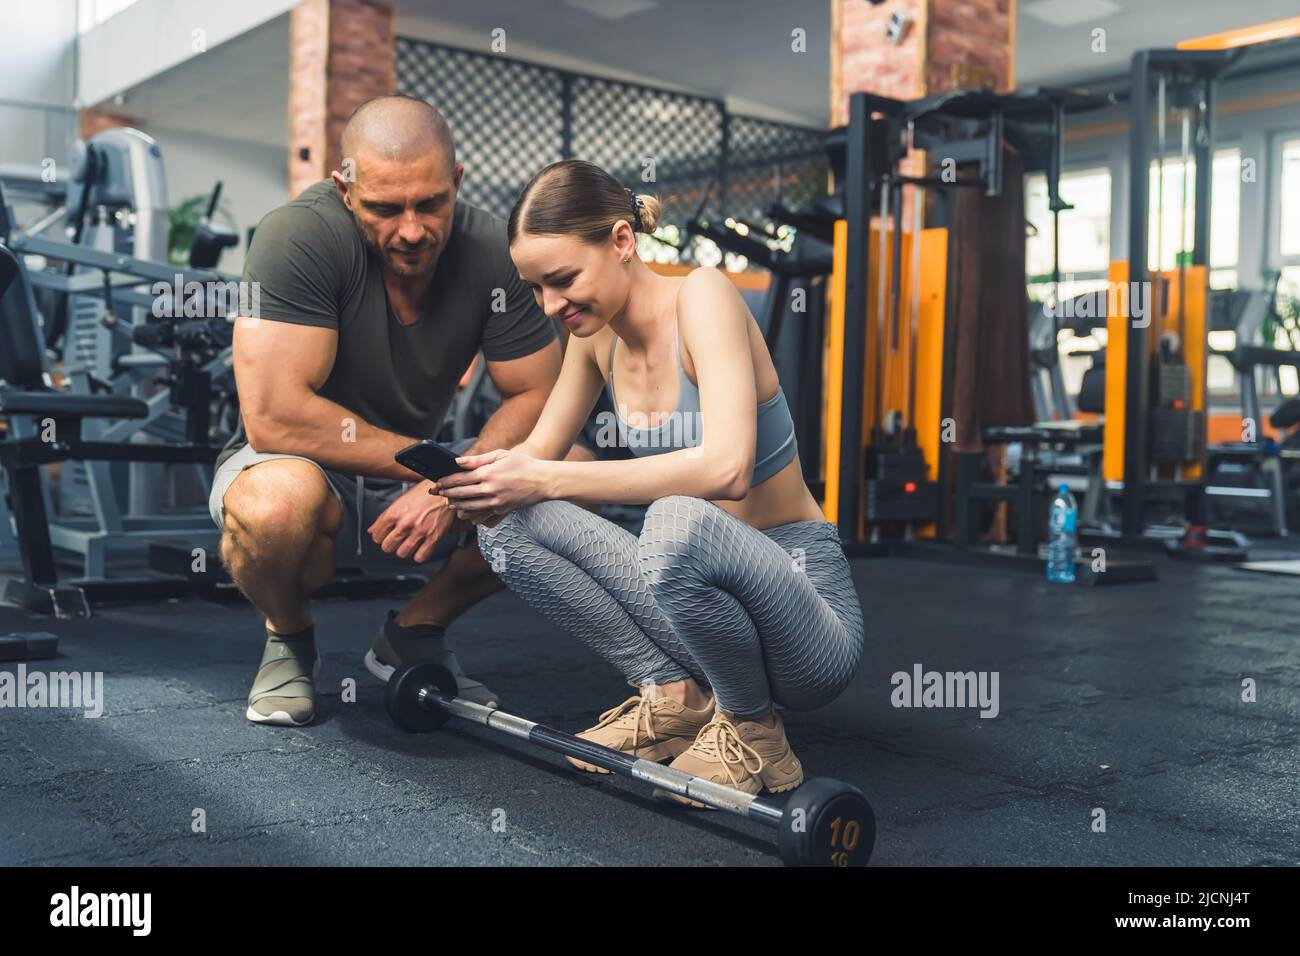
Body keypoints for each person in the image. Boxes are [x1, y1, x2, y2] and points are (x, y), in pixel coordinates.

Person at [437, 159, 865, 800]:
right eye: (536, 289)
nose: (552, 306)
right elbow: (537, 459)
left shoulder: (704, 297)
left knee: (675, 518)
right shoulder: (594, 340)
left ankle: (756, 732)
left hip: (805, 619)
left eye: (563, 280)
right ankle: (674, 698)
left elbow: (727, 469)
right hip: (702, 616)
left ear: (621, 241)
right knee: (507, 525)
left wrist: (543, 479)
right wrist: (472, 480)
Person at [209, 96, 586, 726]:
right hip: (299, 464)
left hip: (419, 465)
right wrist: (434, 473)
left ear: (457, 182)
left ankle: (414, 632)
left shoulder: (494, 249)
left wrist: (453, 482)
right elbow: (276, 417)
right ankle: (290, 636)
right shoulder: (298, 236)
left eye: (431, 203)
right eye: (386, 208)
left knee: (573, 476)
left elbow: (538, 396)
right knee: (274, 508)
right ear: (345, 188)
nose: (412, 230)